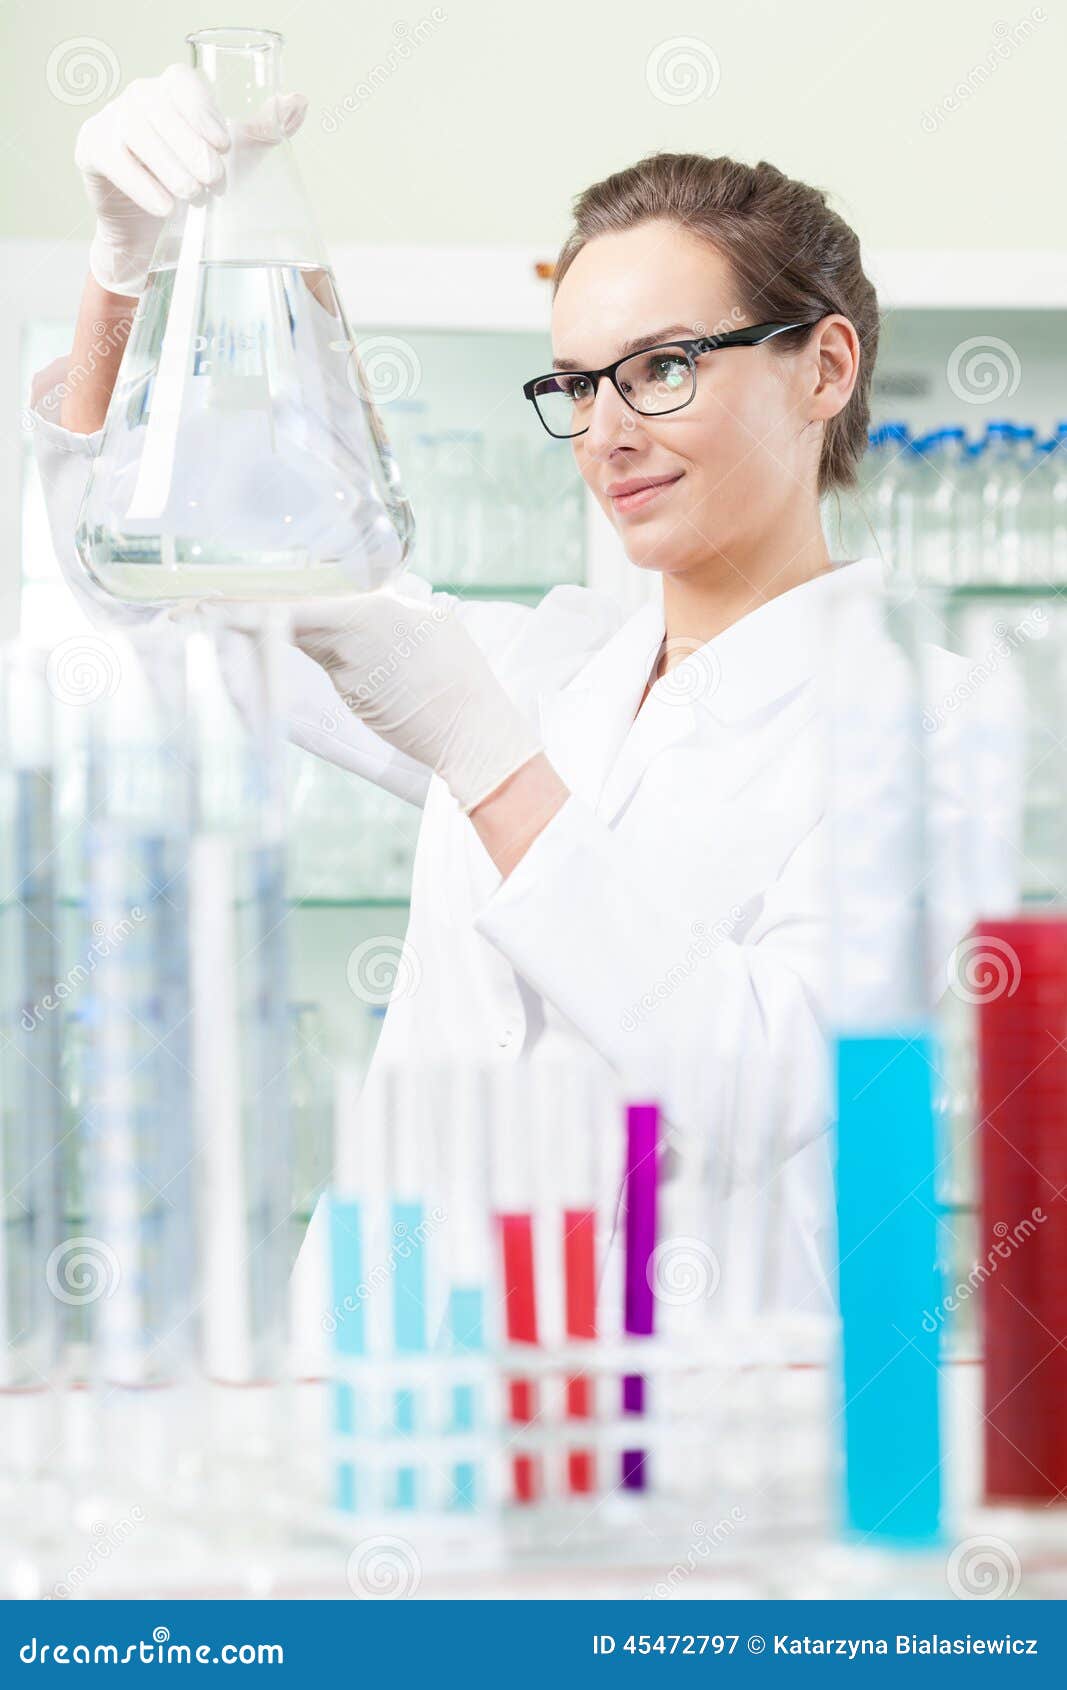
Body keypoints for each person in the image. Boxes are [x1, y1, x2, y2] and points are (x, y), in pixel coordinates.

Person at [29, 65, 983, 1347]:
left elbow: (765, 1083)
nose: (604, 432)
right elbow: (147, 598)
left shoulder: (927, 719)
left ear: (823, 366)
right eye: (576, 385)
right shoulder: (545, 660)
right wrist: (120, 274)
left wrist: (489, 763)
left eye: (660, 367)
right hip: (376, 1382)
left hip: (680, 1413)